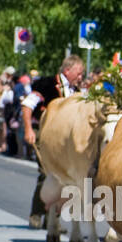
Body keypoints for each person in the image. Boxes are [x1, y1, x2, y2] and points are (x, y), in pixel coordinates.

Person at [22, 55, 85, 229]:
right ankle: (36, 213)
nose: (81, 77)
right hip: (44, 133)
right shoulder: (46, 84)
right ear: (67, 70)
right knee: (46, 173)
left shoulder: (77, 92)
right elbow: (27, 105)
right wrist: (28, 129)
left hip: (65, 140)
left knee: (63, 177)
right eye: (79, 73)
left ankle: (52, 218)